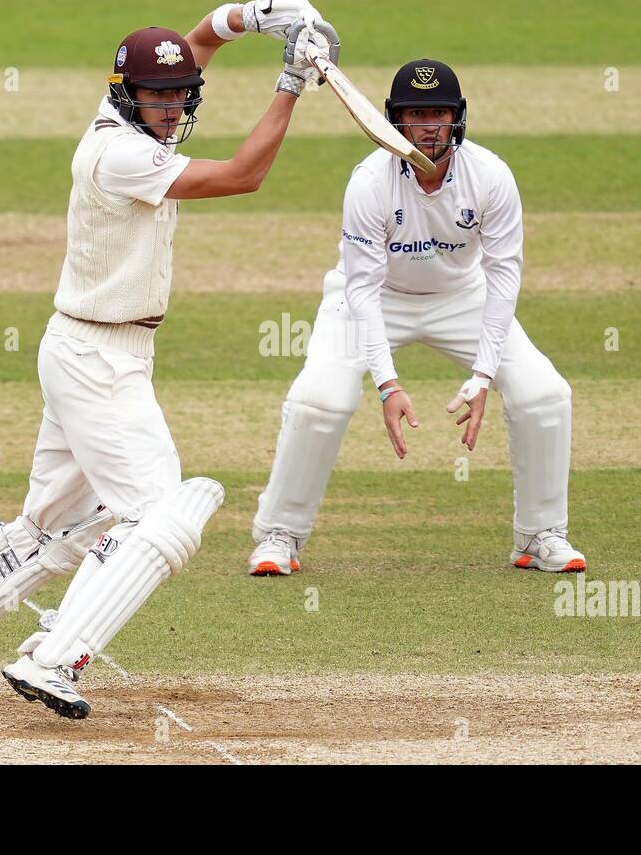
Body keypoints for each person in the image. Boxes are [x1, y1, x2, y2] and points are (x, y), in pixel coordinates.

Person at [0, 0, 338, 719]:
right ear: (125, 97)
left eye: (181, 97)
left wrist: (247, 19)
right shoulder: (120, 155)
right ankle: (57, 659)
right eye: (157, 99)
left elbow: (195, 49)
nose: (172, 110)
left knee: (58, 528)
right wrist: (291, 80)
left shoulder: (132, 115)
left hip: (87, 349)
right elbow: (243, 176)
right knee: (167, 512)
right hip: (98, 360)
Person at [247, 59, 584, 578]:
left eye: (438, 113)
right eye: (415, 114)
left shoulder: (490, 176)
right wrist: (387, 386)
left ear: (457, 119)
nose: (428, 126)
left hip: (461, 295)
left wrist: (484, 374)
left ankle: (540, 536)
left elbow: (503, 278)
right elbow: (360, 288)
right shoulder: (369, 181)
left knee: (545, 393)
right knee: (321, 401)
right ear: (394, 122)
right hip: (375, 296)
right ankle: (280, 534)